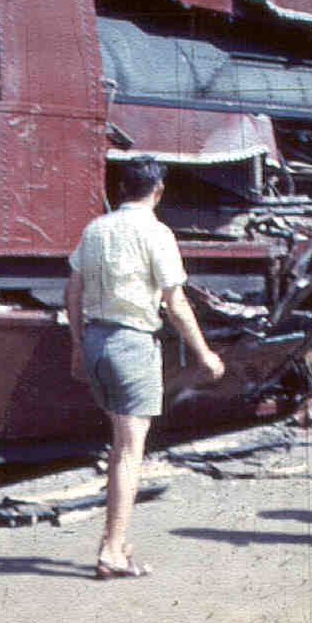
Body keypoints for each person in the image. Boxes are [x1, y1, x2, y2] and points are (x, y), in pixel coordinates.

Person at [66, 155, 224, 578]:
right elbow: (176, 302)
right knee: (129, 450)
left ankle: (113, 541)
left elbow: (72, 291)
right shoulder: (157, 233)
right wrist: (205, 354)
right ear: (158, 191)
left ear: (122, 190)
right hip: (132, 343)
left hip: (96, 340)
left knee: (120, 443)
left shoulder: (95, 229)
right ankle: (112, 551)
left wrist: (78, 345)